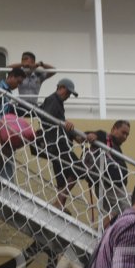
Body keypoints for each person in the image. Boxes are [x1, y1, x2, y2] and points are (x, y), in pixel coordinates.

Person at [38, 78, 87, 210]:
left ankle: (59, 204)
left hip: (55, 144)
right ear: (61, 88)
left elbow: (56, 121)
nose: (68, 96)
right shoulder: (53, 100)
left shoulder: (56, 102)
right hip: (57, 144)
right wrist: (64, 123)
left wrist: (74, 135)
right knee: (80, 169)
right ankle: (59, 203)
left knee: (62, 177)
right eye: (68, 93)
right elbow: (47, 118)